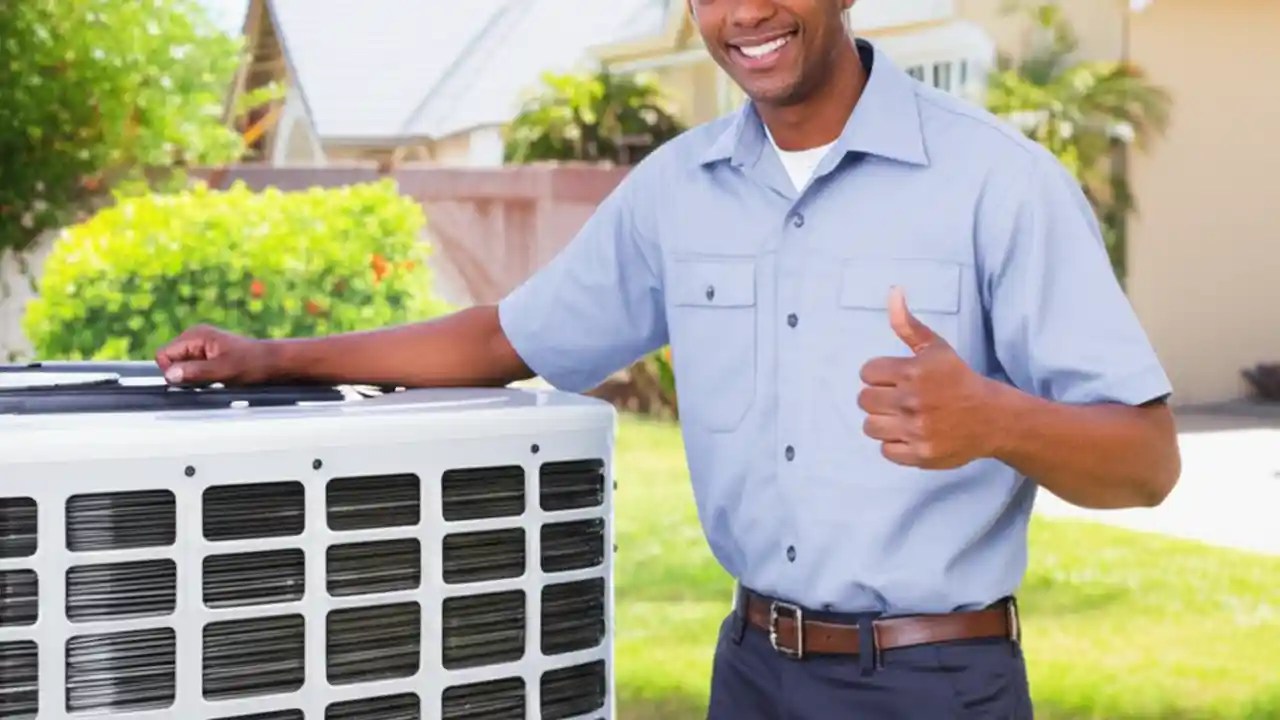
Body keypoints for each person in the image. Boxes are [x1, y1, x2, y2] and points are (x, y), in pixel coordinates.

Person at [156, 0, 1181, 717]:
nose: (744, 14)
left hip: (930, 686)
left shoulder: (998, 183)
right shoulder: (675, 190)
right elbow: (503, 339)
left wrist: (994, 420)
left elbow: (1144, 461)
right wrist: (276, 356)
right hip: (750, 673)